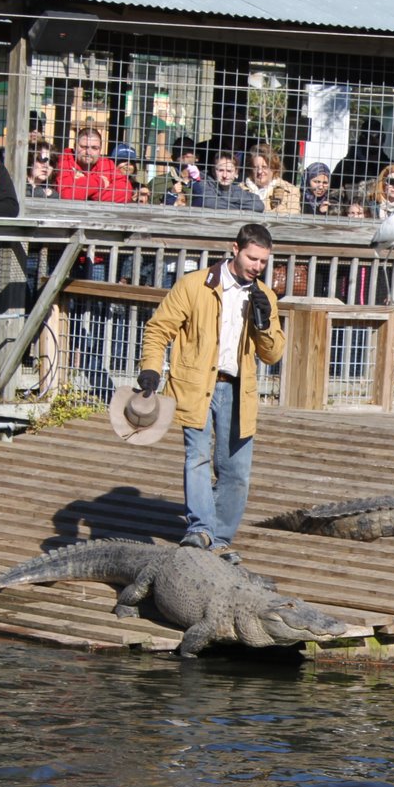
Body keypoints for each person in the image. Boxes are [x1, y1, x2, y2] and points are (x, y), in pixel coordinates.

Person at [135, 223, 284, 562]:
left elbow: (273, 354)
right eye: (252, 258)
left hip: (237, 389)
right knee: (197, 458)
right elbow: (159, 329)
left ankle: (217, 539)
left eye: (263, 261)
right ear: (235, 249)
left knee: (236, 472)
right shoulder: (194, 285)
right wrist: (151, 369)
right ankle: (201, 529)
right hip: (195, 385)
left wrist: (263, 322)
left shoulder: (265, 296)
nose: (257, 267)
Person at [55, 127, 133, 203]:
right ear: (75, 147)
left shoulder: (107, 164)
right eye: (84, 147)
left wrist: (85, 192)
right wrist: (101, 182)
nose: (89, 152)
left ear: (100, 150)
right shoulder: (65, 159)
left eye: (94, 148)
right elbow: (66, 196)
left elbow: (126, 192)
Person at [190, 152, 263, 212]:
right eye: (221, 170)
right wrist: (239, 208)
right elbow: (208, 202)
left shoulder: (236, 189)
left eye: (229, 171)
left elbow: (259, 205)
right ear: (213, 171)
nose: (225, 175)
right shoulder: (203, 182)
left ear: (236, 173)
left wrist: (222, 202)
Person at [243, 142, 300, 215]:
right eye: (256, 167)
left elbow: (294, 223)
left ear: (274, 167)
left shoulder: (291, 191)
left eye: (264, 167)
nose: (260, 171)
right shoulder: (240, 189)